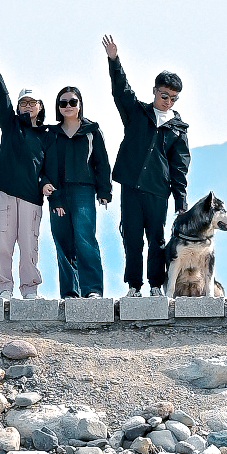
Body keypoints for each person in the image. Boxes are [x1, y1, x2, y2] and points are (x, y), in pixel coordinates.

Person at [103, 35, 191, 297]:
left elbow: (179, 166)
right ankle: (133, 286)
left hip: (158, 190)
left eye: (173, 98)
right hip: (131, 186)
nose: (168, 101)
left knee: (156, 239)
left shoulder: (178, 129)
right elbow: (121, 90)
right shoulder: (137, 113)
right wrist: (114, 60)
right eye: (164, 95)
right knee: (131, 237)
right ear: (155, 91)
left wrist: (181, 198)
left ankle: (155, 285)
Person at [0, 49, 47, 299]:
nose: (27, 106)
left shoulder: (47, 135)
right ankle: (4, 288)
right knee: (1, 243)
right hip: (3, 191)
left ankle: (30, 289)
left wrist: (47, 183)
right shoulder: (10, 125)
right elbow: (2, 98)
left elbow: (50, 168)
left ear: (40, 106)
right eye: (23, 103)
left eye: (32, 102)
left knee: (29, 246)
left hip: (31, 196)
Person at [39, 85, 112, 296]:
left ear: (80, 104)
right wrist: (50, 190)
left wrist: (104, 191)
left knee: (85, 239)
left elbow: (102, 162)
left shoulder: (92, 131)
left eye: (73, 102)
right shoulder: (51, 134)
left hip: (84, 192)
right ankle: (70, 293)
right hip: (58, 193)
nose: (68, 106)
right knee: (62, 242)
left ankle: (93, 290)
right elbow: (42, 165)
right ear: (58, 107)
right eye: (63, 103)